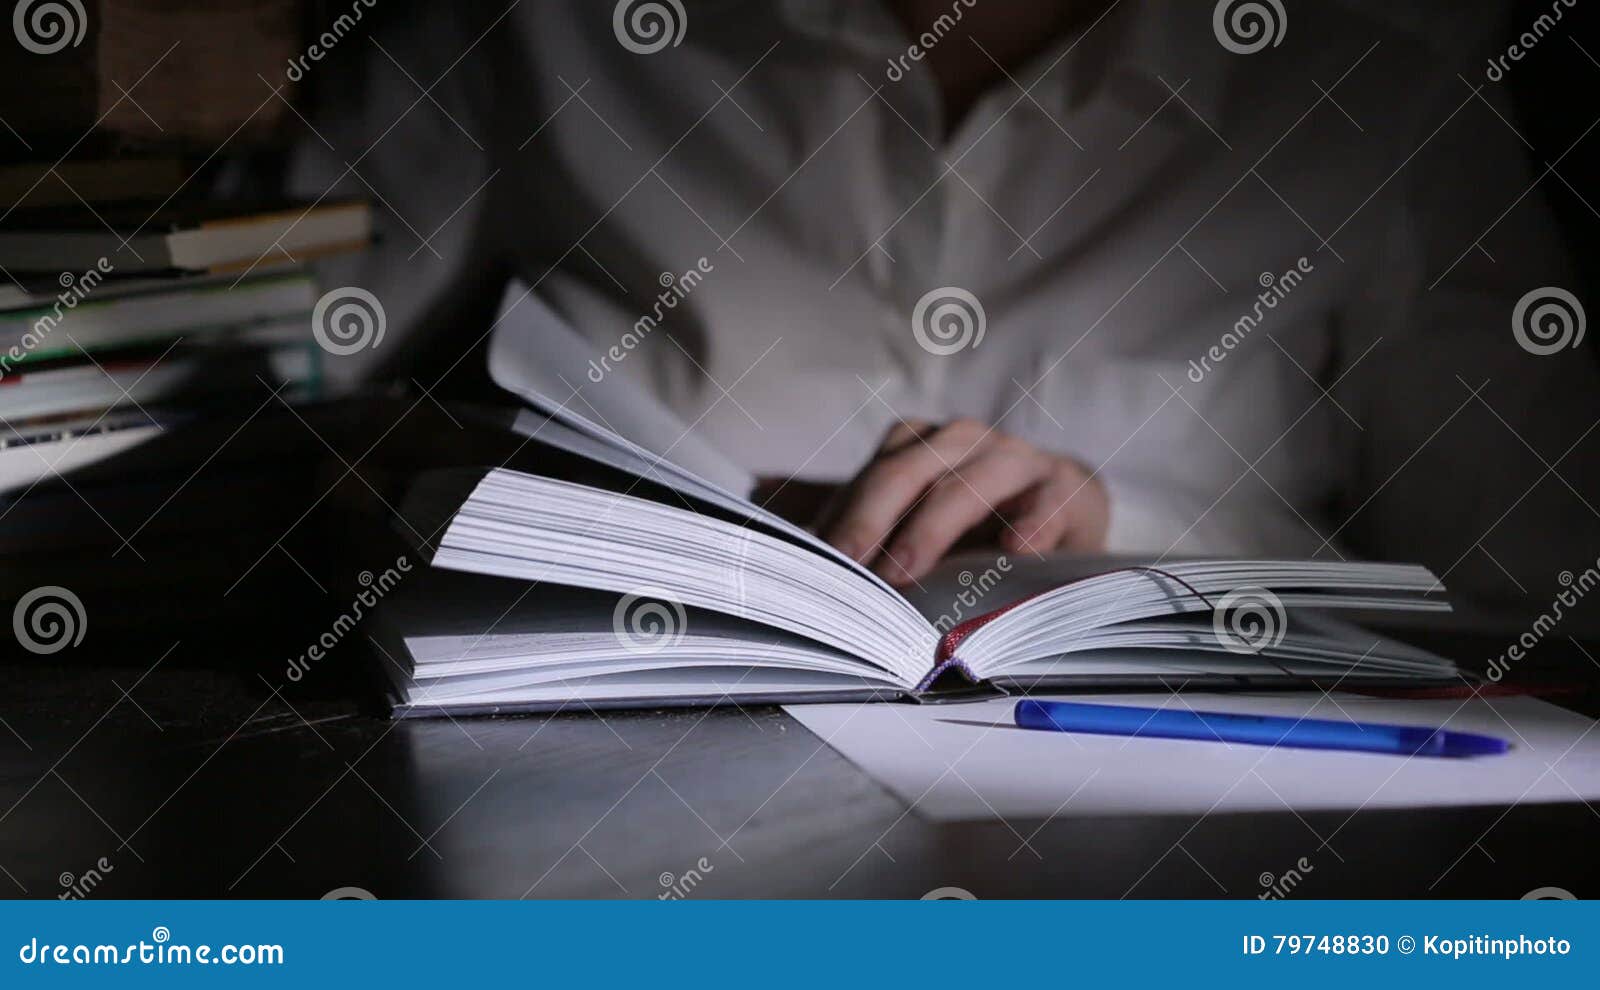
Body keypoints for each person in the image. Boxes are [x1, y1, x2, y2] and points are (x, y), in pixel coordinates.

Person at [291, 0, 1600, 617]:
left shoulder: (1379, 104)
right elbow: (209, 387)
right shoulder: (544, 32)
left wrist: (1125, 538)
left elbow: (1543, 594)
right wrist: (421, 483)